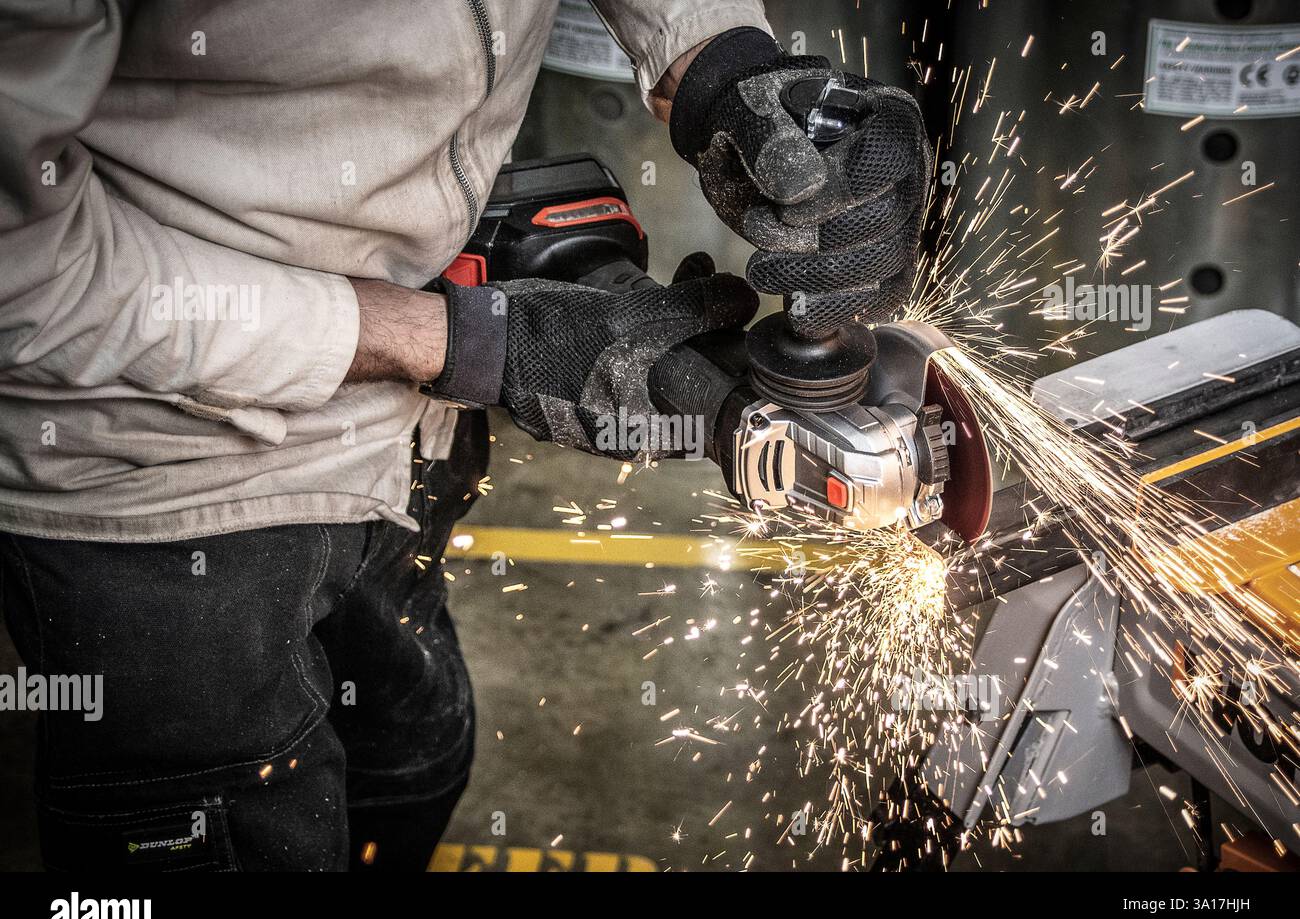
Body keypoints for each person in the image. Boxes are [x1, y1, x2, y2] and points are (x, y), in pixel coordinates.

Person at [0, 1, 929, 870]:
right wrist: (455, 340)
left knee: (413, 755)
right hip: (159, 486)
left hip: (407, 430)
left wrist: (723, 65)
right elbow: (25, 277)